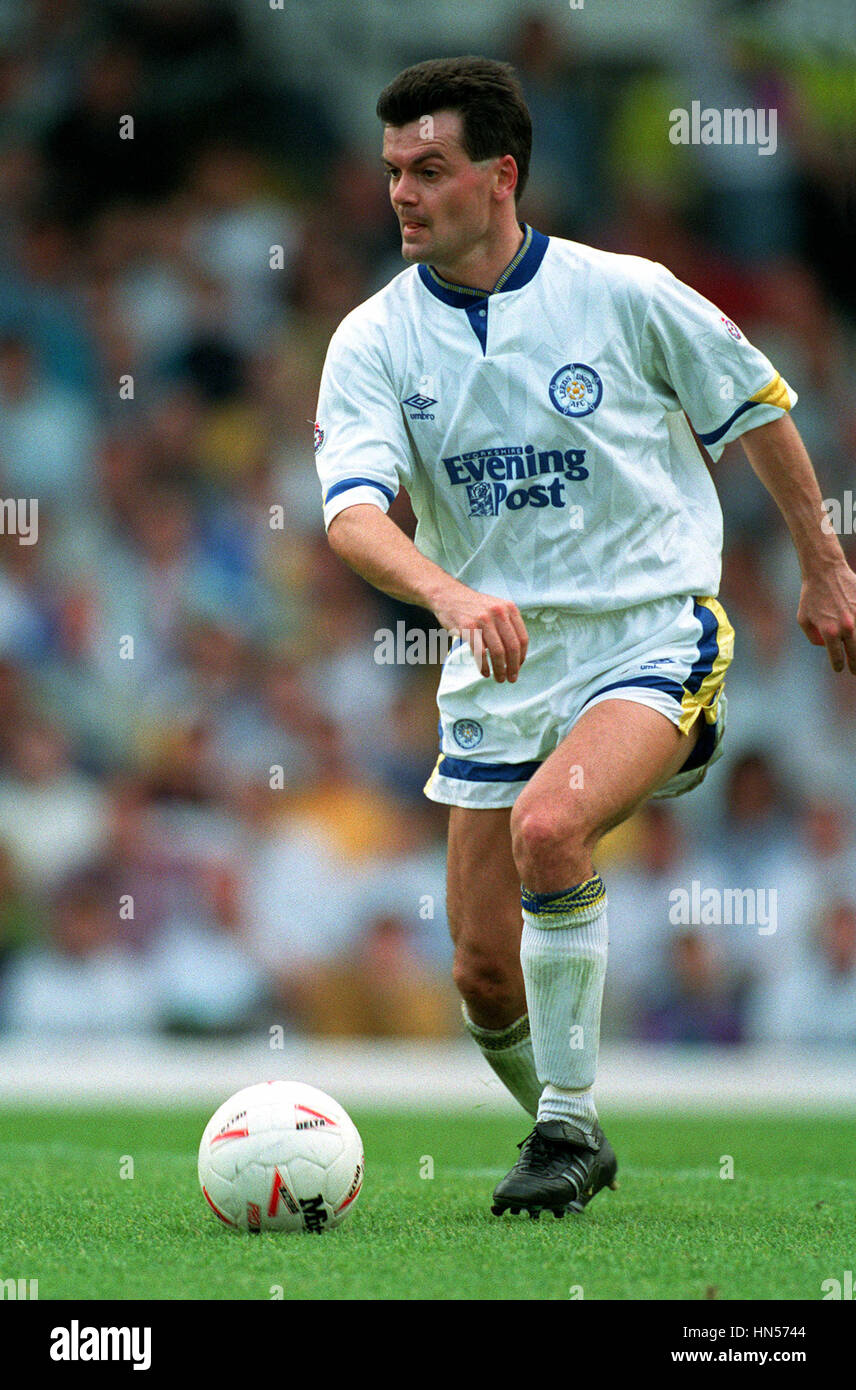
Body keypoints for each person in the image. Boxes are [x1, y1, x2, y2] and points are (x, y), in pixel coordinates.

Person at [313, 56, 856, 1219]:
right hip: (499, 667)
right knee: (478, 972)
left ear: (500, 176)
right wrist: (452, 599)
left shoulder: (625, 292)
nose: (402, 193)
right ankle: (574, 1122)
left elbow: (755, 402)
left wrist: (823, 562)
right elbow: (351, 514)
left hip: (647, 630)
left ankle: (561, 1128)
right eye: (392, 172)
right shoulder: (373, 338)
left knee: (550, 828)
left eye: (430, 170)